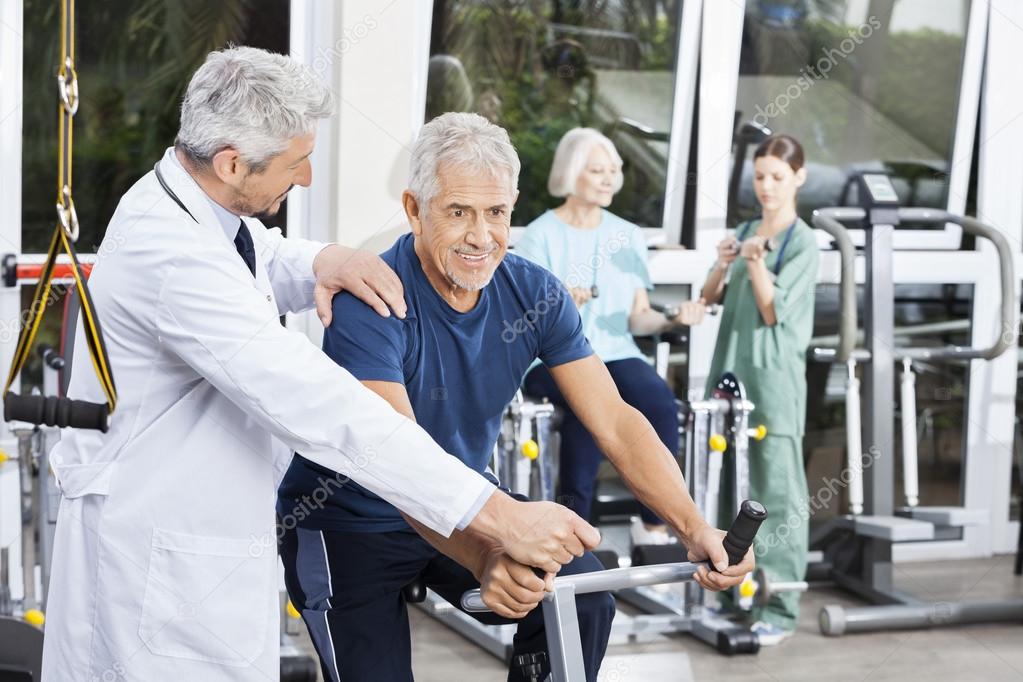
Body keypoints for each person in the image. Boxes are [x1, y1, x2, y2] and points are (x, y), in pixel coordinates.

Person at [41, 48, 598, 681]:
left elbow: (254, 254)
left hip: (202, 544)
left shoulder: (186, 202)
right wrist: (496, 515)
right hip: (153, 564)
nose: (306, 177)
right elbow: (321, 405)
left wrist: (319, 261)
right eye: (296, 161)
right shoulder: (172, 256)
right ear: (230, 163)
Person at [276, 113, 754, 682]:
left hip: (462, 496)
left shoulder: (535, 294)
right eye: (458, 213)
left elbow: (617, 422)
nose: (482, 237)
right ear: (413, 209)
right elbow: (393, 459)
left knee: (579, 597)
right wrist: (484, 553)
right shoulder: (371, 298)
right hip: (347, 517)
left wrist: (693, 527)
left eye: (496, 213)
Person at [515, 128, 704, 545]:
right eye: (596, 170)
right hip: (554, 356)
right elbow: (525, 319)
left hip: (616, 352)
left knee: (658, 402)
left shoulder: (628, 235)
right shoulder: (541, 235)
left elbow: (638, 318)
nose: (608, 179)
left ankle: (653, 531)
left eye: (612, 171)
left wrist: (672, 319)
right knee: (589, 410)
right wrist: (561, 304)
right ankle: (575, 536)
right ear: (571, 173)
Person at [698, 133, 818, 645]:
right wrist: (727, 259)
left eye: (777, 177)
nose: (767, 186)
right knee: (730, 486)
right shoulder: (746, 229)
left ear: (799, 178)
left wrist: (753, 260)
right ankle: (734, 595)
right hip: (730, 372)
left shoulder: (801, 241)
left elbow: (773, 310)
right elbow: (707, 297)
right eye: (759, 176)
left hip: (772, 381)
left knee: (776, 492)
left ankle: (781, 605)